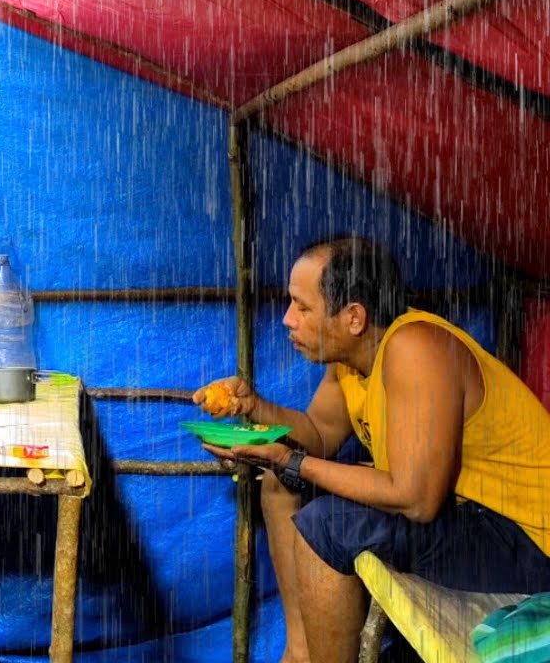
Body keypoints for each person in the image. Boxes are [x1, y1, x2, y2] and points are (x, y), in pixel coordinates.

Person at [193, 236, 550, 663]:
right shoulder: (351, 359)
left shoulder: (415, 348)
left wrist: (292, 460)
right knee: (280, 483)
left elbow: (416, 501)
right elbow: (320, 433)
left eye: (302, 307)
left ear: (354, 317)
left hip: (530, 539)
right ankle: (301, 651)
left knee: (327, 523)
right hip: (474, 516)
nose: (287, 319)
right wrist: (255, 407)